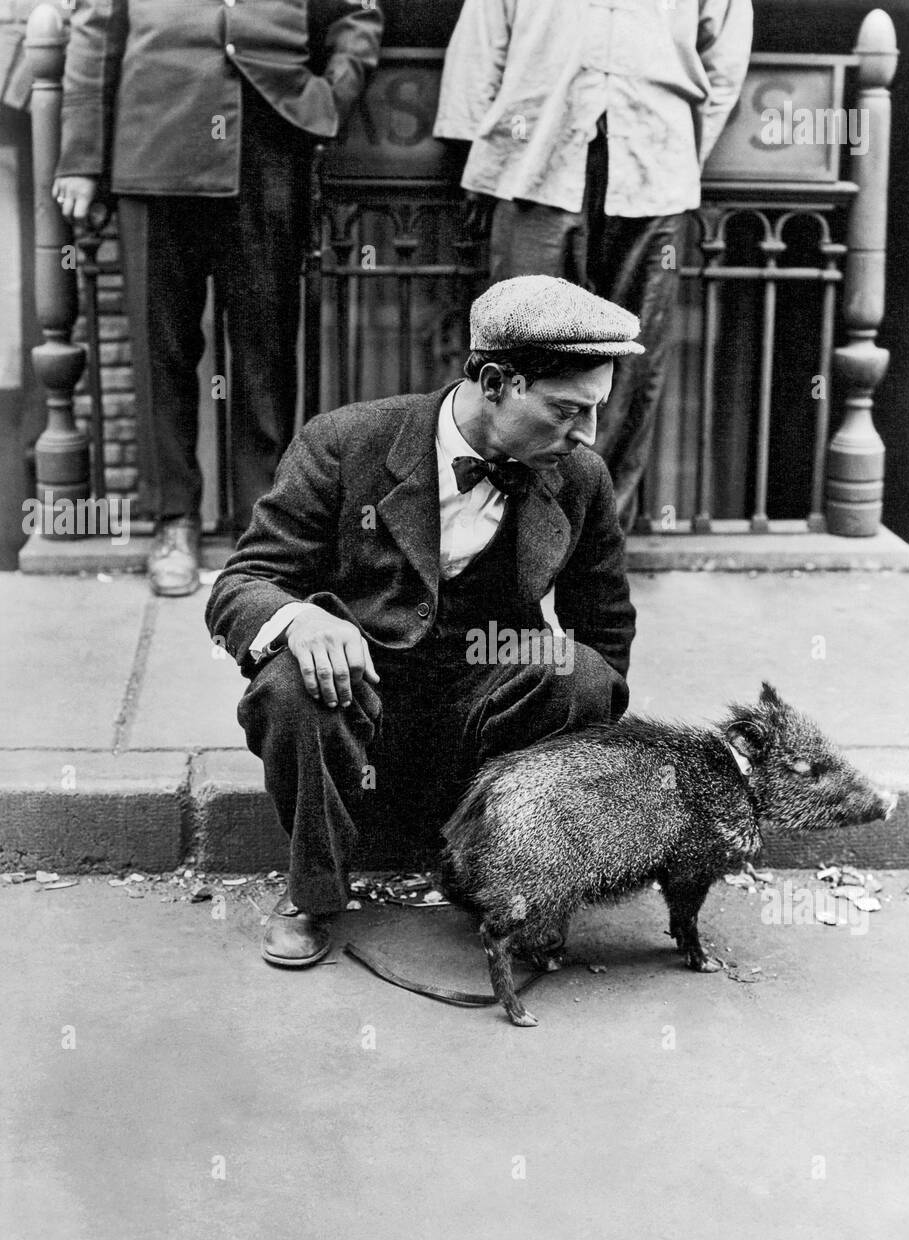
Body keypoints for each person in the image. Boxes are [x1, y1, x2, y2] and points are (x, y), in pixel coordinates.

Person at [205, 274, 640, 969]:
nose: (585, 435)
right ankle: (315, 893)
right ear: (496, 381)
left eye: (593, 412)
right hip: (359, 712)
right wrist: (297, 621)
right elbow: (241, 585)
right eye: (566, 411)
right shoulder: (347, 443)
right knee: (289, 679)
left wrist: (578, 777)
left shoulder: (579, 476)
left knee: (577, 672)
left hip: (479, 728)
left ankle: (511, 880)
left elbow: (605, 626)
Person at [52, 0, 384, 596]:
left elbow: (357, 14)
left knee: (265, 349)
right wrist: (80, 159)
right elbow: (94, 37)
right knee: (162, 351)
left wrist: (332, 94)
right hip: (154, 146)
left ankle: (264, 533)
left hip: (268, 149)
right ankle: (172, 522)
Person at [433, 0, 753, 527]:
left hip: (653, 161)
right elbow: (480, 44)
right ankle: (499, 530)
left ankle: (597, 534)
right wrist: (480, 156)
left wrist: (683, 150)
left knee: (634, 357)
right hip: (534, 155)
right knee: (516, 350)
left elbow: (724, 59)